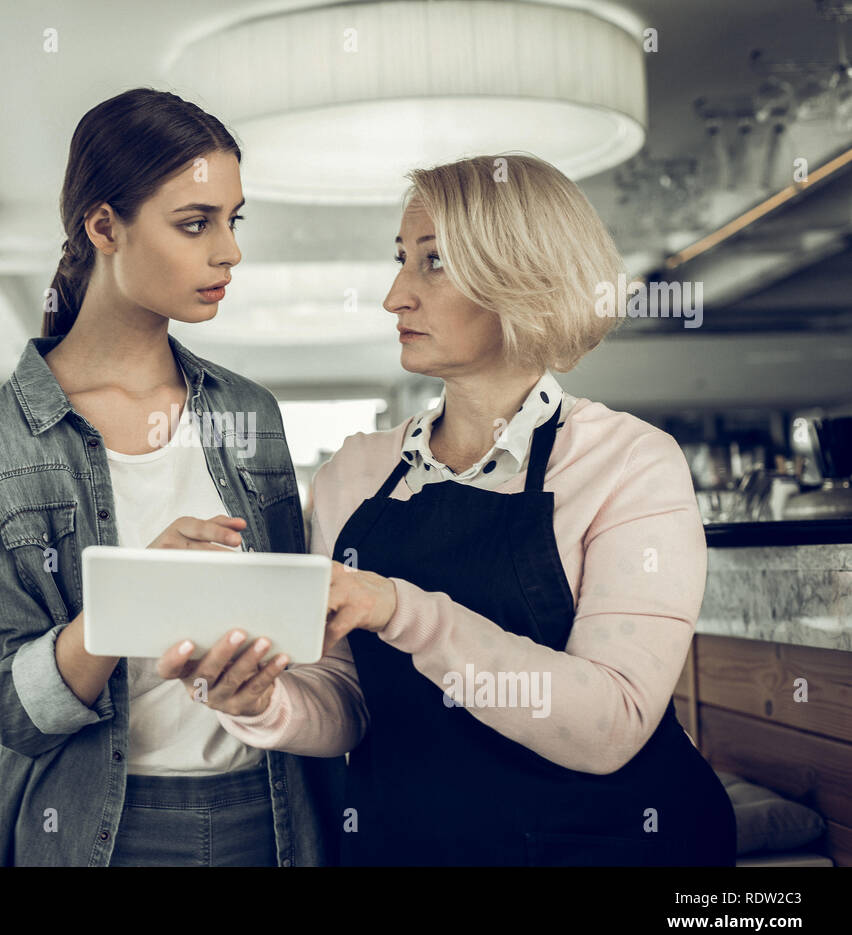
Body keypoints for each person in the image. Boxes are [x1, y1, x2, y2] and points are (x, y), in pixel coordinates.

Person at [158, 153, 737, 866]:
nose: (396, 296)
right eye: (402, 260)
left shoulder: (629, 463)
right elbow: (349, 698)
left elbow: (609, 725)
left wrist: (402, 610)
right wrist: (259, 706)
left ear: (522, 278)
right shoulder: (356, 474)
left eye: (433, 263)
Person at [0, 87, 343, 867]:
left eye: (234, 220)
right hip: (98, 829)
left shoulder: (249, 413)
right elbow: (14, 712)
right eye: (196, 223)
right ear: (104, 227)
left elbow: (301, 648)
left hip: (268, 815)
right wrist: (135, 596)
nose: (228, 251)